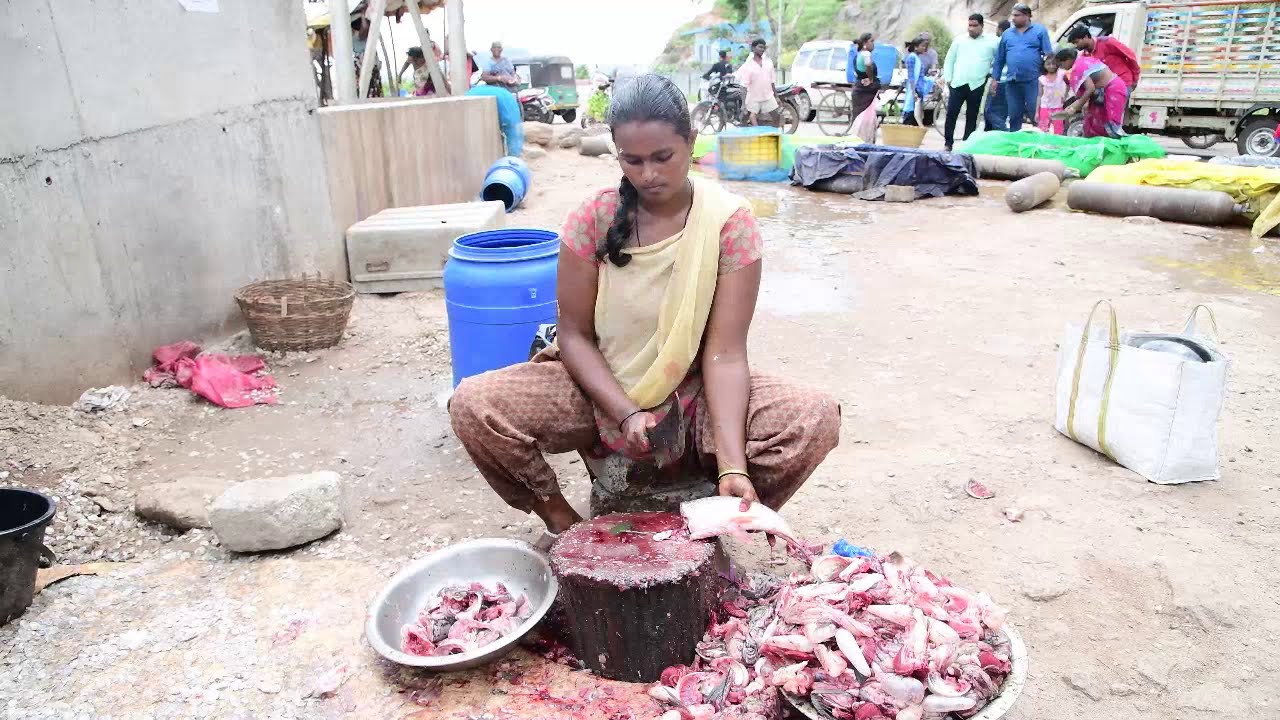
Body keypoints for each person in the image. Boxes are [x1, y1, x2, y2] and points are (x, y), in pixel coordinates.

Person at [448, 74, 840, 544]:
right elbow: (573, 336)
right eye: (632, 160)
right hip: (597, 384)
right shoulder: (593, 219)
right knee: (474, 406)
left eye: (663, 157)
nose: (649, 175)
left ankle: (716, 520)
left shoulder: (727, 224)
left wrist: (734, 462)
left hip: (692, 392)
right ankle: (564, 524)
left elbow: (726, 353)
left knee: (814, 417)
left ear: (691, 143)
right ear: (616, 153)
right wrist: (626, 412)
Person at [990, 4, 1053, 132]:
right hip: (1012, 82)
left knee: (1034, 112)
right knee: (1014, 115)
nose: (1013, 18)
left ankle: (1039, 141)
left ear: (1027, 16)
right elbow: (1000, 59)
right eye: (1013, 15)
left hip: (1033, 81)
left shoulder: (1039, 31)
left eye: (1017, 15)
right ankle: (1016, 144)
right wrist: (995, 79)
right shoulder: (1007, 34)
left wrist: (1049, 77)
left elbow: (1049, 55)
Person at [943, 13, 998, 150]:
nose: (972, 28)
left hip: (977, 84)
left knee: (972, 116)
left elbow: (999, 60)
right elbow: (949, 59)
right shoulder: (959, 40)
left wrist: (992, 75)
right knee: (951, 113)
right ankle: (948, 143)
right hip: (957, 83)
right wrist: (948, 78)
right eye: (970, 25)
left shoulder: (993, 42)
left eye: (975, 25)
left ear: (982, 26)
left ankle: (967, 144)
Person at [1053, 47, 1127, 138]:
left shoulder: (1078, 67)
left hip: (1113, 90)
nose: (1061, 68)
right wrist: (1069, 109)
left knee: (1111, 126)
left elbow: (1090, 88)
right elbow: (1085, 94)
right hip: (1102, 92)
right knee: (1092, 124)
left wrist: (1074, 108)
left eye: (1060, 64)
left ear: (1067, 60)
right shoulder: (1083, 60)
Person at [1068, 25, 1141, 93]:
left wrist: (1135, 79)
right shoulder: (1084, 56)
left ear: (1086, 37)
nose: (1075, 45)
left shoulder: (1107, 42)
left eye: (1076, 42)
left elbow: (1130, 56)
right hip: (1106, 90)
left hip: (1124, 83)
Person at [736, 39, 778, 126]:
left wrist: (776, 96)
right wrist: (743, 104)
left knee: (776, 117)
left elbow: (772, 81)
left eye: (763, 47)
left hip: (767, 96)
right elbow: (743, 86)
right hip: (753, 98)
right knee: (744, 119)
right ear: (753, 48)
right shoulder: (748, 65)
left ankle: (775, 135)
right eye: (760, 47)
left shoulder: (768, 62)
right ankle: (745, 136)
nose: (762, 49)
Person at [846, 33, 881, 138]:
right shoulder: (866, 54)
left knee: (860, 121)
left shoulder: (860, 54)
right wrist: (871, 79)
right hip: (865, 93)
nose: (873, 44)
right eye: (872, 41)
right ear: (865, 43)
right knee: (864, 121)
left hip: (861, 91)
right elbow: (868, 65)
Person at [984, 20, 1012, 131]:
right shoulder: (1013, 41)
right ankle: (989, 139)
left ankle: (1006, 136)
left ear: (1000, 29)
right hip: (1009, 82)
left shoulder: (999, 42)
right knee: (1000, 113)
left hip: (999, 81)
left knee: (992, 112)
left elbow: (994, 62)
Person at [902, 39, 931, 126]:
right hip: (915, 90)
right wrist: (914, 92)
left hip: (918, 89)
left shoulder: (916, 58)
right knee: (911, 115)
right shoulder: (912, 57)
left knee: (916, 116)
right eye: (922, 46)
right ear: (915, 47)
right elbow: (911, 76)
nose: (924, 48)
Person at [1037, 55, 1067, 134]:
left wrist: (1065, 96)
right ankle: (1043, 145)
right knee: (1043, 130)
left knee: (1059, 130)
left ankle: (1058, 146)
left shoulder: (1061, 74)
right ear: (1044, 65)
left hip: (1058, 107)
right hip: (1045, 107)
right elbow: (1039, 96)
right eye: (1048, 64)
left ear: (1057, 64)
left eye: (1053, 64)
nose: (1051, 66)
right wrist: (1037, 112)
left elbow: (1069, 84)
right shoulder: (1042, 79)